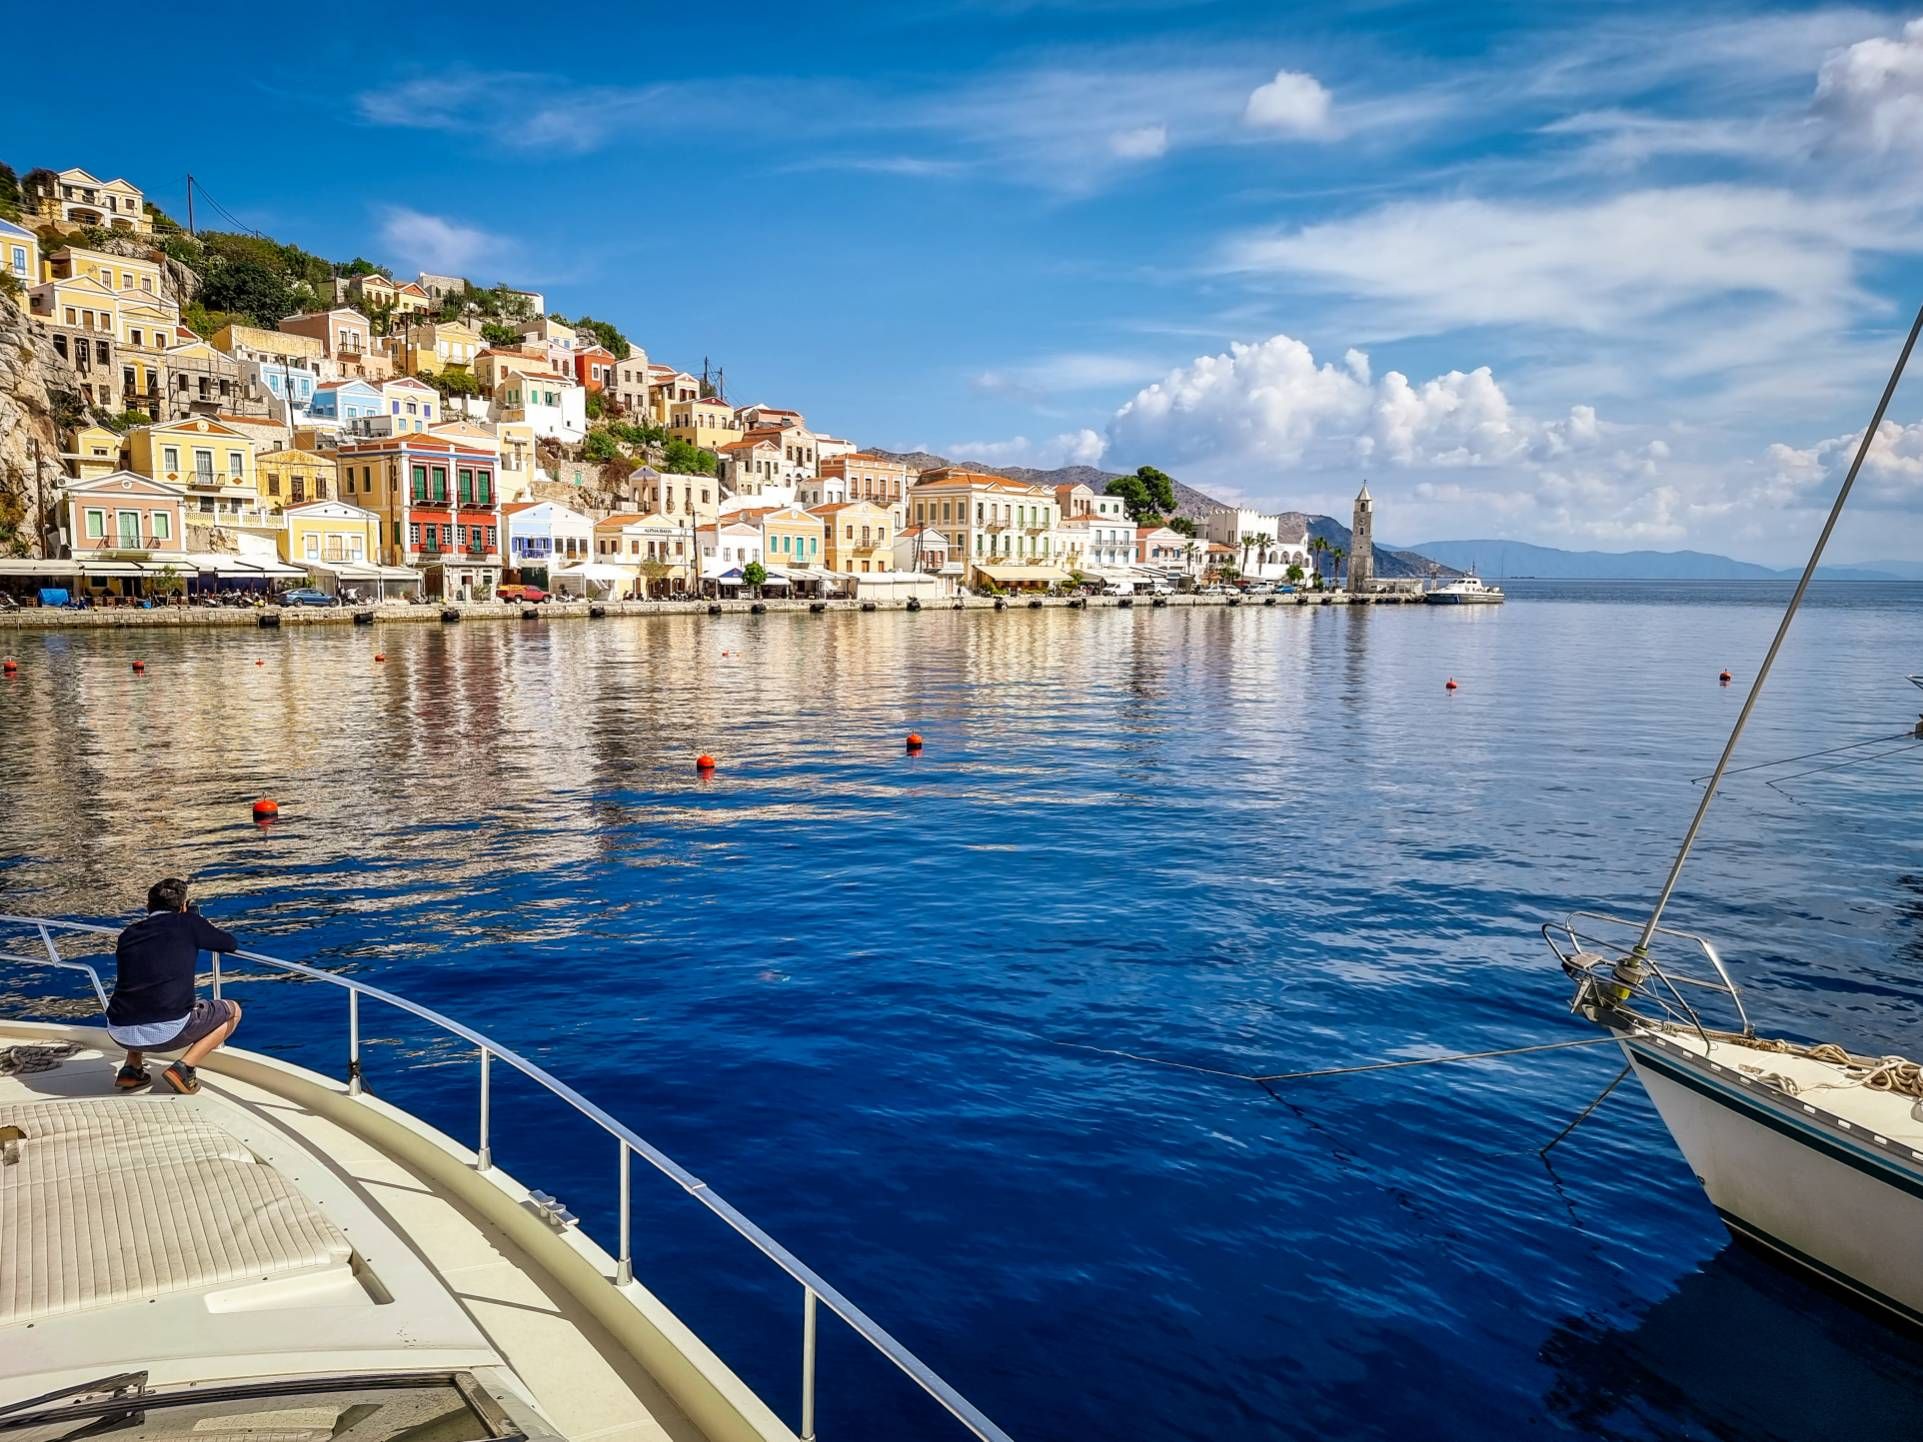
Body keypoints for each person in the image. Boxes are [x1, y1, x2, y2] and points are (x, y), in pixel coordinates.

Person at [105, 878, 244, 1095]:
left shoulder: (128, 934)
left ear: (148, 907)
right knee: (233, 1011)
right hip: (169, 1031)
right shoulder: (188, 923)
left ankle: (132, 1068)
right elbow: (229, 943)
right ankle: (185, 1067)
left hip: (119, 1029)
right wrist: (197, 922)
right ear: (183, 906)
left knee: (141, 991)